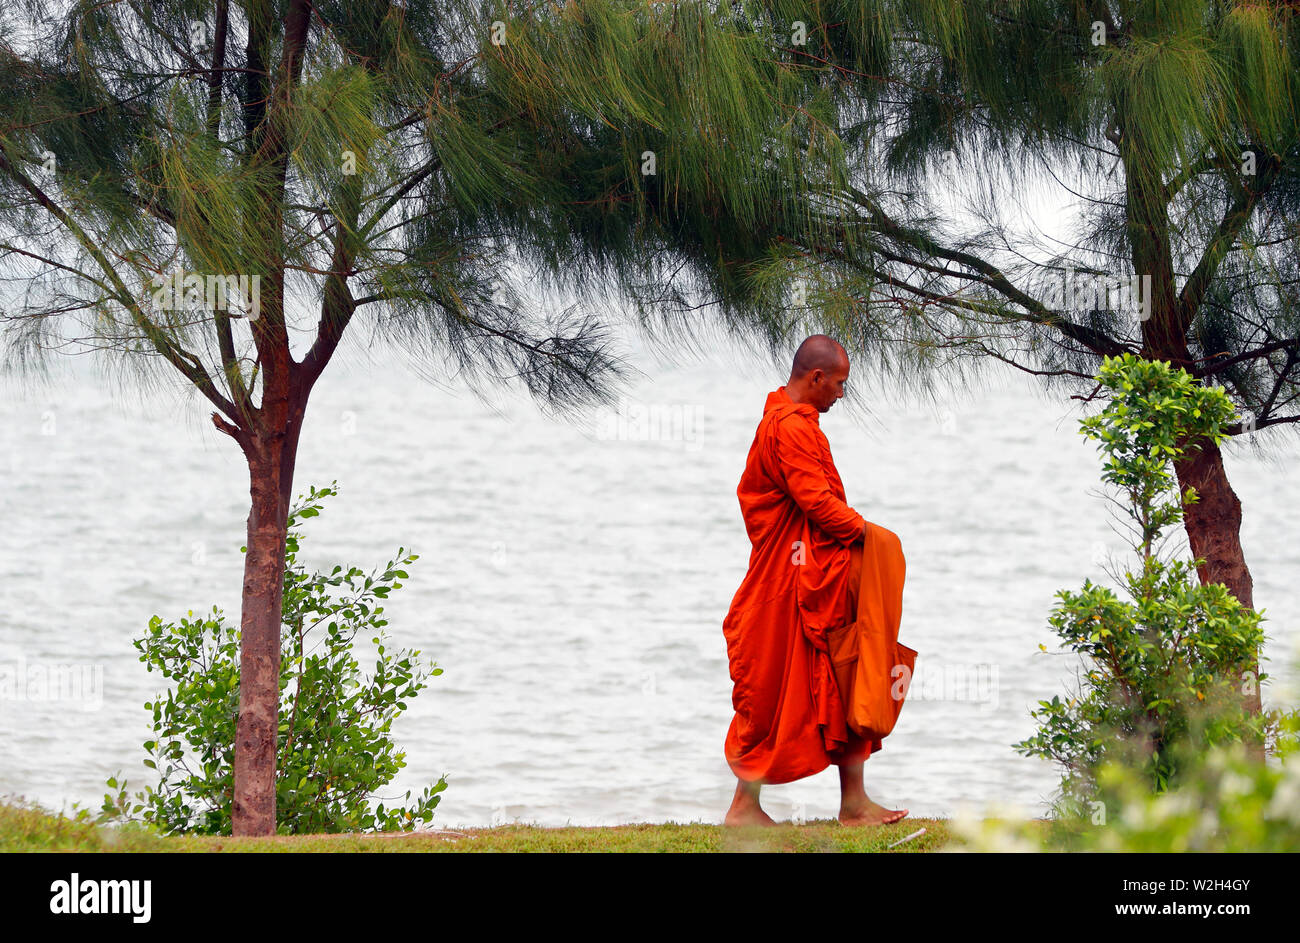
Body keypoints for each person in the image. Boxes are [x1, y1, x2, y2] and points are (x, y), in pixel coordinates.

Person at [721, 334, 908, 827]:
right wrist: (870, 535)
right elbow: (817, 504)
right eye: (840, 384)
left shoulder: (793, 420)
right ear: (817, 378)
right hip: (790, 582)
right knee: (774, 688)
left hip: (819, 573)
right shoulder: (789, 428)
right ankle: (744, 807)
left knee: (846, 671)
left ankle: (854, 804)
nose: (842, 395)